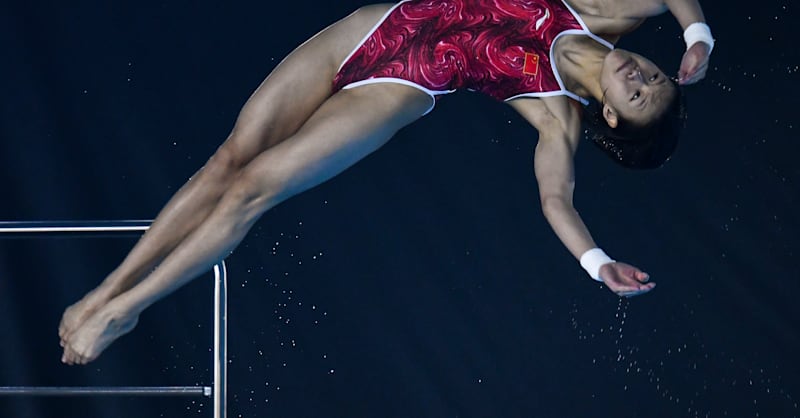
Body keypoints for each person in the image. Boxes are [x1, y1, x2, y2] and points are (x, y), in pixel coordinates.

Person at [58, 0, 714, 365]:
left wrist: (596, 263)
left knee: (253, 187)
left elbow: (554, 198)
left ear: (611, 115)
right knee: (227, 159)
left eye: (640, 96)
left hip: (400, 85)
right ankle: (105, 292)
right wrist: (698, 34)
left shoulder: (556, 115)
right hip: (377, 24)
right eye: (653, 76)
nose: (641, 78)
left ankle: (129, 308)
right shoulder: (599, 11)